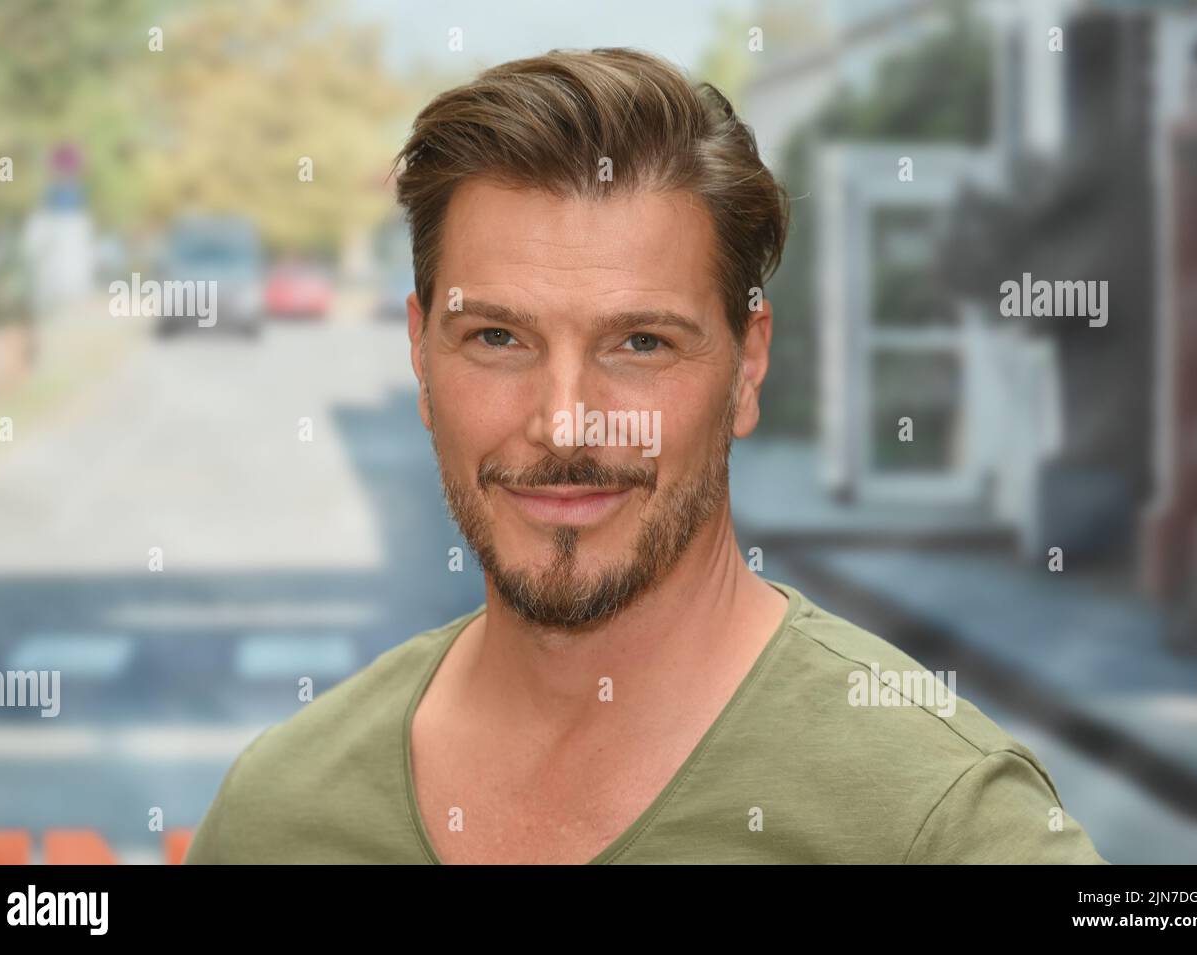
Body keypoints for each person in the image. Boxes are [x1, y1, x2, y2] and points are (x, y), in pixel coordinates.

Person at [185, 47, 1108, 865]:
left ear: (748, 366)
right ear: (421, 355)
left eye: (641, 345)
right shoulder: (278, 814)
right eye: (499, 337)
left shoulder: (938, 824)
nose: (566, 424)